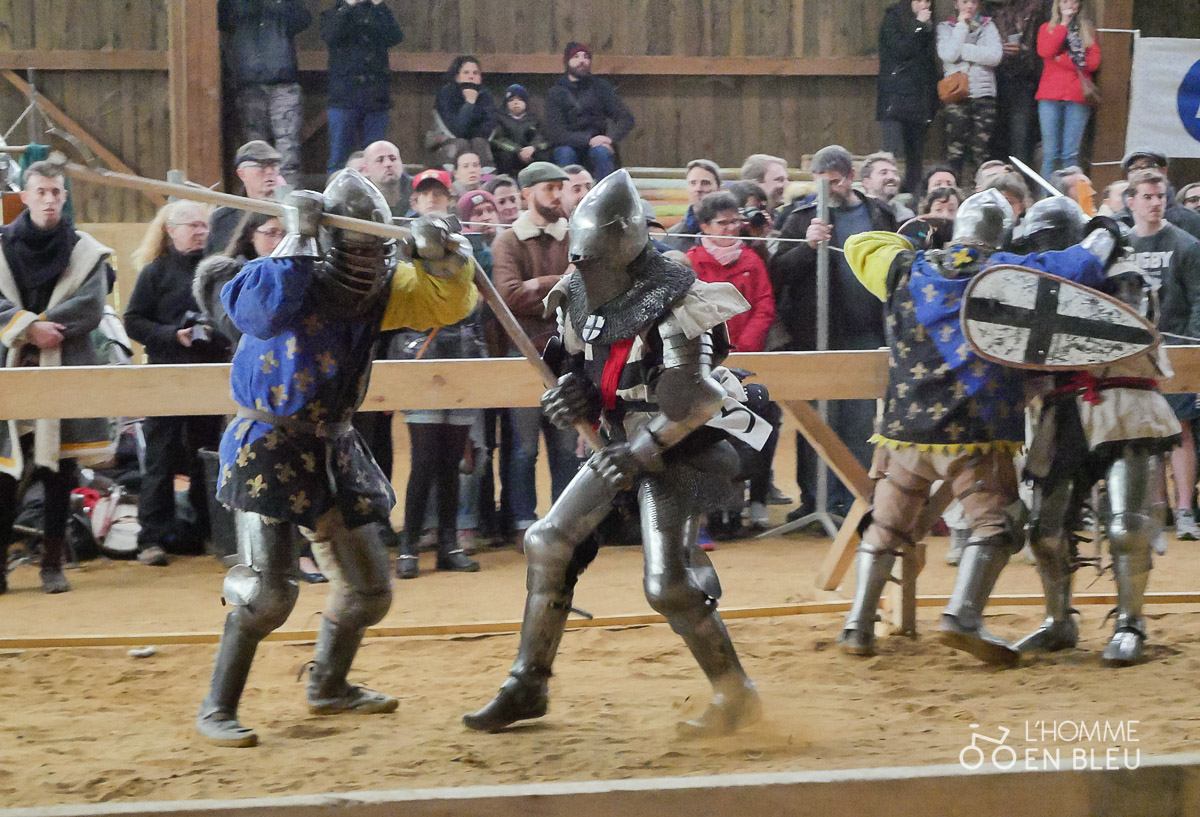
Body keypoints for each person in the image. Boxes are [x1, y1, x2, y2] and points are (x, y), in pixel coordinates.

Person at [463, 170, 762, 737]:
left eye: (593, 258)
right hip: (618, 439)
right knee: (548, 540)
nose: (582, 270)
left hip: (680, 448)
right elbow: (581, 364)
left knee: (667, 585)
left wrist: (641, 449)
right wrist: (573, 390)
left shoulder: (677, 299)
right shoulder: (579, 292)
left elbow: (697, 398)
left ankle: (737, 693)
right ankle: (528, 682)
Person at [195, 170, 479, 748]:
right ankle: (217, 706)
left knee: (370, 587)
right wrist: (296, 240)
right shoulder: (271, 279)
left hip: (332, 441)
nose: (366, 261)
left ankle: (329, 685)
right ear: (326, 242)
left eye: (375, 248)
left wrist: (444, 255)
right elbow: (261, 316)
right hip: (268, 442)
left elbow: (447, 304)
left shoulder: (379, 292)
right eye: (356, 248)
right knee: (268, 594)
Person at [837, 188, 1125, 665]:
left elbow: (859, 245)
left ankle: (858, 625)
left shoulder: (903, 268)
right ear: (1004, 235)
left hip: (905, 431)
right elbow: (1087, 263)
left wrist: (921, 238)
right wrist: (1106, 225)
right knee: (999, 524)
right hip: (976, 432)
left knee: (887, 524)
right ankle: (963, 615)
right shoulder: (1013, 274)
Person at [1009, 196, 1180, 667]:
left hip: (1123, 404)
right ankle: (1058, 620)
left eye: (1048, 241)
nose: (1042, 249)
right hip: (1064, 410)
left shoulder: (1124, 273)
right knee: (1044, 529)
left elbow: (1110, 333)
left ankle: (1130, 622)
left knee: (1127, 526)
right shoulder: (1046, 277)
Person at [0, 161, 114, 594]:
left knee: (60, 474)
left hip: (64, 368)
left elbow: (90, 306)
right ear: (25, 197)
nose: (49, 200)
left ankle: (52, 563)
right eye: (41, 192)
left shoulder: (86, 251)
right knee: (3, 475)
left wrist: (45, 329)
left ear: (64, 198)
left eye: (56, 193)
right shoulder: (1, 247)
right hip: (7, 370)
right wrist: (27, 328)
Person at [771, 145, 897, 519]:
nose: (828, 191)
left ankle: (854, 501)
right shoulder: (799, 218)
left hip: (867, 334)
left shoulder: (879, 215)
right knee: (817, 422)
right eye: (821, 184)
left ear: (851, 178)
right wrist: (807, 246)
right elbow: (778, 273)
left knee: (859, 422)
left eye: (835, 183)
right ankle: (816, 501)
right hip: (816, 336)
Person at [124, 201, 230, 567]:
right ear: (171, 230)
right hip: (166, 376)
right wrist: (173, 335)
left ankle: (208, 530)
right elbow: (133, 322)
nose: (201, 231)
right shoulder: (155, 273)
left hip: (209, 376)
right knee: (160, 458)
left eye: (205, 225)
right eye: (193, 226)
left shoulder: (217, 271)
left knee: (208, 455)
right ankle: (151, 538)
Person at [491, 162, 577, 549]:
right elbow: (507, 296)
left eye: (561, 187)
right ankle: (524, 520)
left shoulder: (573, 235)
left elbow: (584, 287)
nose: (557, 194)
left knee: (565, 445)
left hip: (568, 352)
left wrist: (538, 285)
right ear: (527, 193)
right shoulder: (508, 241)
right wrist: (558, 286)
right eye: (549, 188)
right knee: (523, 447)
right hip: (524, 353)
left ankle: (565, 519)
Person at [686, 191, 779, 530]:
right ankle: (711, 511)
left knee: (758, 429)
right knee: (710, 435)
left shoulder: (752, 262)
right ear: (705, 226)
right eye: (722, 223)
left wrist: (746, 347)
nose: (730, 229)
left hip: (748, 360)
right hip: (706, 364)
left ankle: (755, 499)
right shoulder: (692, 261)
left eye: (734, 222)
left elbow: (764, 306)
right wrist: (717, 350)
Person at [1124, 169, 1200, 540]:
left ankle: (1185, 508)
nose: (1156, 203)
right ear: (1131, 202)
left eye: (1161, 196)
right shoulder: (1122, 246)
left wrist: (1193, 344)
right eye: (1148, 196)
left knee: (1180, 428)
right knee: (1146, 433)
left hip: (1179, 350)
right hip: (1135, 353)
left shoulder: (1186, 245)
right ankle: (1158, 510)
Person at [217, 0, 311, 185]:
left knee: (289, 153)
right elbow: (223, 19)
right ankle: (257, 208)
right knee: (253, 155)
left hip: (283, 82)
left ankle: (289, 204)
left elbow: (302, 20)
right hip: (248, 84)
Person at [321, 0, 404, 176]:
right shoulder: (336, 11)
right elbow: (330, 34)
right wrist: (349, 5)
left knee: (377, 157)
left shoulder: (378, 11)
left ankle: (375, 199)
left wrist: (379, 5)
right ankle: (334, 200)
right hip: (343, 98)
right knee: (339, 158)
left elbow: (395, 36)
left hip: (376, 98)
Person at [545, 42, 635, 180]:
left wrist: (610, 138)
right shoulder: (556, 92)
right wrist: (588, 140)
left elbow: (626, 118)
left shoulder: (600, 88)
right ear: (567, 61)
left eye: (586, 57)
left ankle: (606, 197)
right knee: (565, 153)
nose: (582, 61)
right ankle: (566, 198)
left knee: (601, 152)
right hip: (568, 145)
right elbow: (556, 133)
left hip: (597, 145)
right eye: (576, 57)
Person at [877, 1, 940, 196]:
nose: (924, 4)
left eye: (927, 1)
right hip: (895, 99)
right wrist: (919, 25)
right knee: (892, 157)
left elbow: (929, 63)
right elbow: (900, 51)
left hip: (919, 99)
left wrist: (933, 100)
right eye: (919, 0)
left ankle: (913, 201)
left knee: (916, 160)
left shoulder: (928, 26)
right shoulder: (893, 18)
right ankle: (888, 199)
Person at [937, 0, 1003, 183]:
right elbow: (948, 54)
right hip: (956, 94)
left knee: (981, 149)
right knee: (955, 148)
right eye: (964, 1)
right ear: (956, 4)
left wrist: (963, 50)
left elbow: (995, 57)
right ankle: (953, 188)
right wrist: (961, 26)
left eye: (973, 1)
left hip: (983, 94)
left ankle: (980, 188)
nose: (969, 6)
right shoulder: (945, 27)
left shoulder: (988, 26)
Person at [1035, 0, 1100, 180]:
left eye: (1074, 1)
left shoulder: (1087, 30)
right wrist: (1063, 24)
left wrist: (1061, 59)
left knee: (1070, 155)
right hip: (1050, 97)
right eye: (1065, 1)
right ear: (1058, 5)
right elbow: (1046, 51)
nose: (1070, 4)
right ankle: (1047, 201)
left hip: (1077, 96)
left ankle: (1070, 200)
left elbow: (1093, 63)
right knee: (1050, 154)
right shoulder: (1047, 28)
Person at [985, 0, 1051, 168]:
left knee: (1020, 137)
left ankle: (1020, 185)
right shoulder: (988, 8)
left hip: (1024, 79)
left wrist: (1023, 51)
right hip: (991, 78)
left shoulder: (1035, 7)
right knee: (991, 135)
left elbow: (1042, 44)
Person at [207, 141, 284, 254]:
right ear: (242, 174)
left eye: (273, 166)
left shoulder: (288, 213)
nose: (269, 172)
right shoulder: (223, 219)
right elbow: (215, 266)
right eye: (261, 167)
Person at [1116, 150, 1200, 241]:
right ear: (1128, 176)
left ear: (1164, 171)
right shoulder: (1117, 222)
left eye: (1148, 166)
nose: (1142, 171)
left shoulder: (1190, 219)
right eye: (1135, 168)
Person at [434, 55, 498, 170]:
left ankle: (487, 181)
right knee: (460, 144)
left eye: (475, 73)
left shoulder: (485, 95)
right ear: (457, 77)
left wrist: (473, 139)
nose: (471, 76)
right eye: (466, 72)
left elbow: (490, 124)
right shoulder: (446, 94)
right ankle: (449, 181)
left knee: (480, 144)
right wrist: (469, 103)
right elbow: (454, 129)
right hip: (448, 140)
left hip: (479, 141)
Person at [489, 84, 552, 178]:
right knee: (504, 156)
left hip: (530, 154)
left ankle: (541, 179)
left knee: (543, 155)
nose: (516, 103)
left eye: (520, 99)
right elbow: (498, 139)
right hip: (511, 153)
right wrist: (518, 150)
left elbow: (542, 138)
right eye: (511, 100)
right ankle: (506, 181)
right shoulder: (500, 119)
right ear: (506, 103)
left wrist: (533, 148)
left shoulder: (534, 120)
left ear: (526, 102)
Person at [664, 159, 721, 252]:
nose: (698, 188)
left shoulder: (731, 231)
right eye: (693, 183)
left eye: (705, 183)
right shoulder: (672, 236)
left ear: (718, 188)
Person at [361, 140, 413, 218]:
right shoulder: (357, 197)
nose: (388, 164)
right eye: (380, 160)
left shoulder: (420, 189)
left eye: (393, 159)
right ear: (366, 170)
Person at [860, 152, 915, 221]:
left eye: (895, 173)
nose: (892, 177)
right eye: (884, 173)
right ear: (867, 182)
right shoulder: (856, 214)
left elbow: (918, 232)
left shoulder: (906, 215)